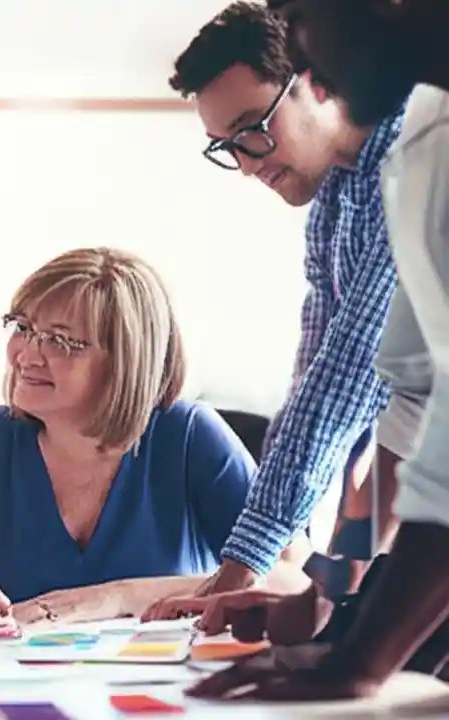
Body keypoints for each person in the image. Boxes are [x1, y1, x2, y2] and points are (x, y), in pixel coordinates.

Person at [157, 0, 449, 700]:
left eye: (252, 131)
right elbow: (400, 425)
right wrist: (323, 590)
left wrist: (357, 663)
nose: (313, 64)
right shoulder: (400, 164)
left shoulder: (424, 147)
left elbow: (355, 393)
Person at [0, 248, 306, 630]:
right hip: (25, 684)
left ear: (124, 361)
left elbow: (294, 579)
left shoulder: (189, 436)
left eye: (61, 341)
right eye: (23, 328)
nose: (27, 354)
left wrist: (116, 597)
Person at [167, 1, 405, 596]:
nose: (247, 164)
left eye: (253, 129)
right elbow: (318, 377)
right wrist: (319, 573)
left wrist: (246, 559)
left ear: (313, 81)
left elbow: (351, 376)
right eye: (226, 146)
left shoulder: (414, 164)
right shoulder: (335, 202)